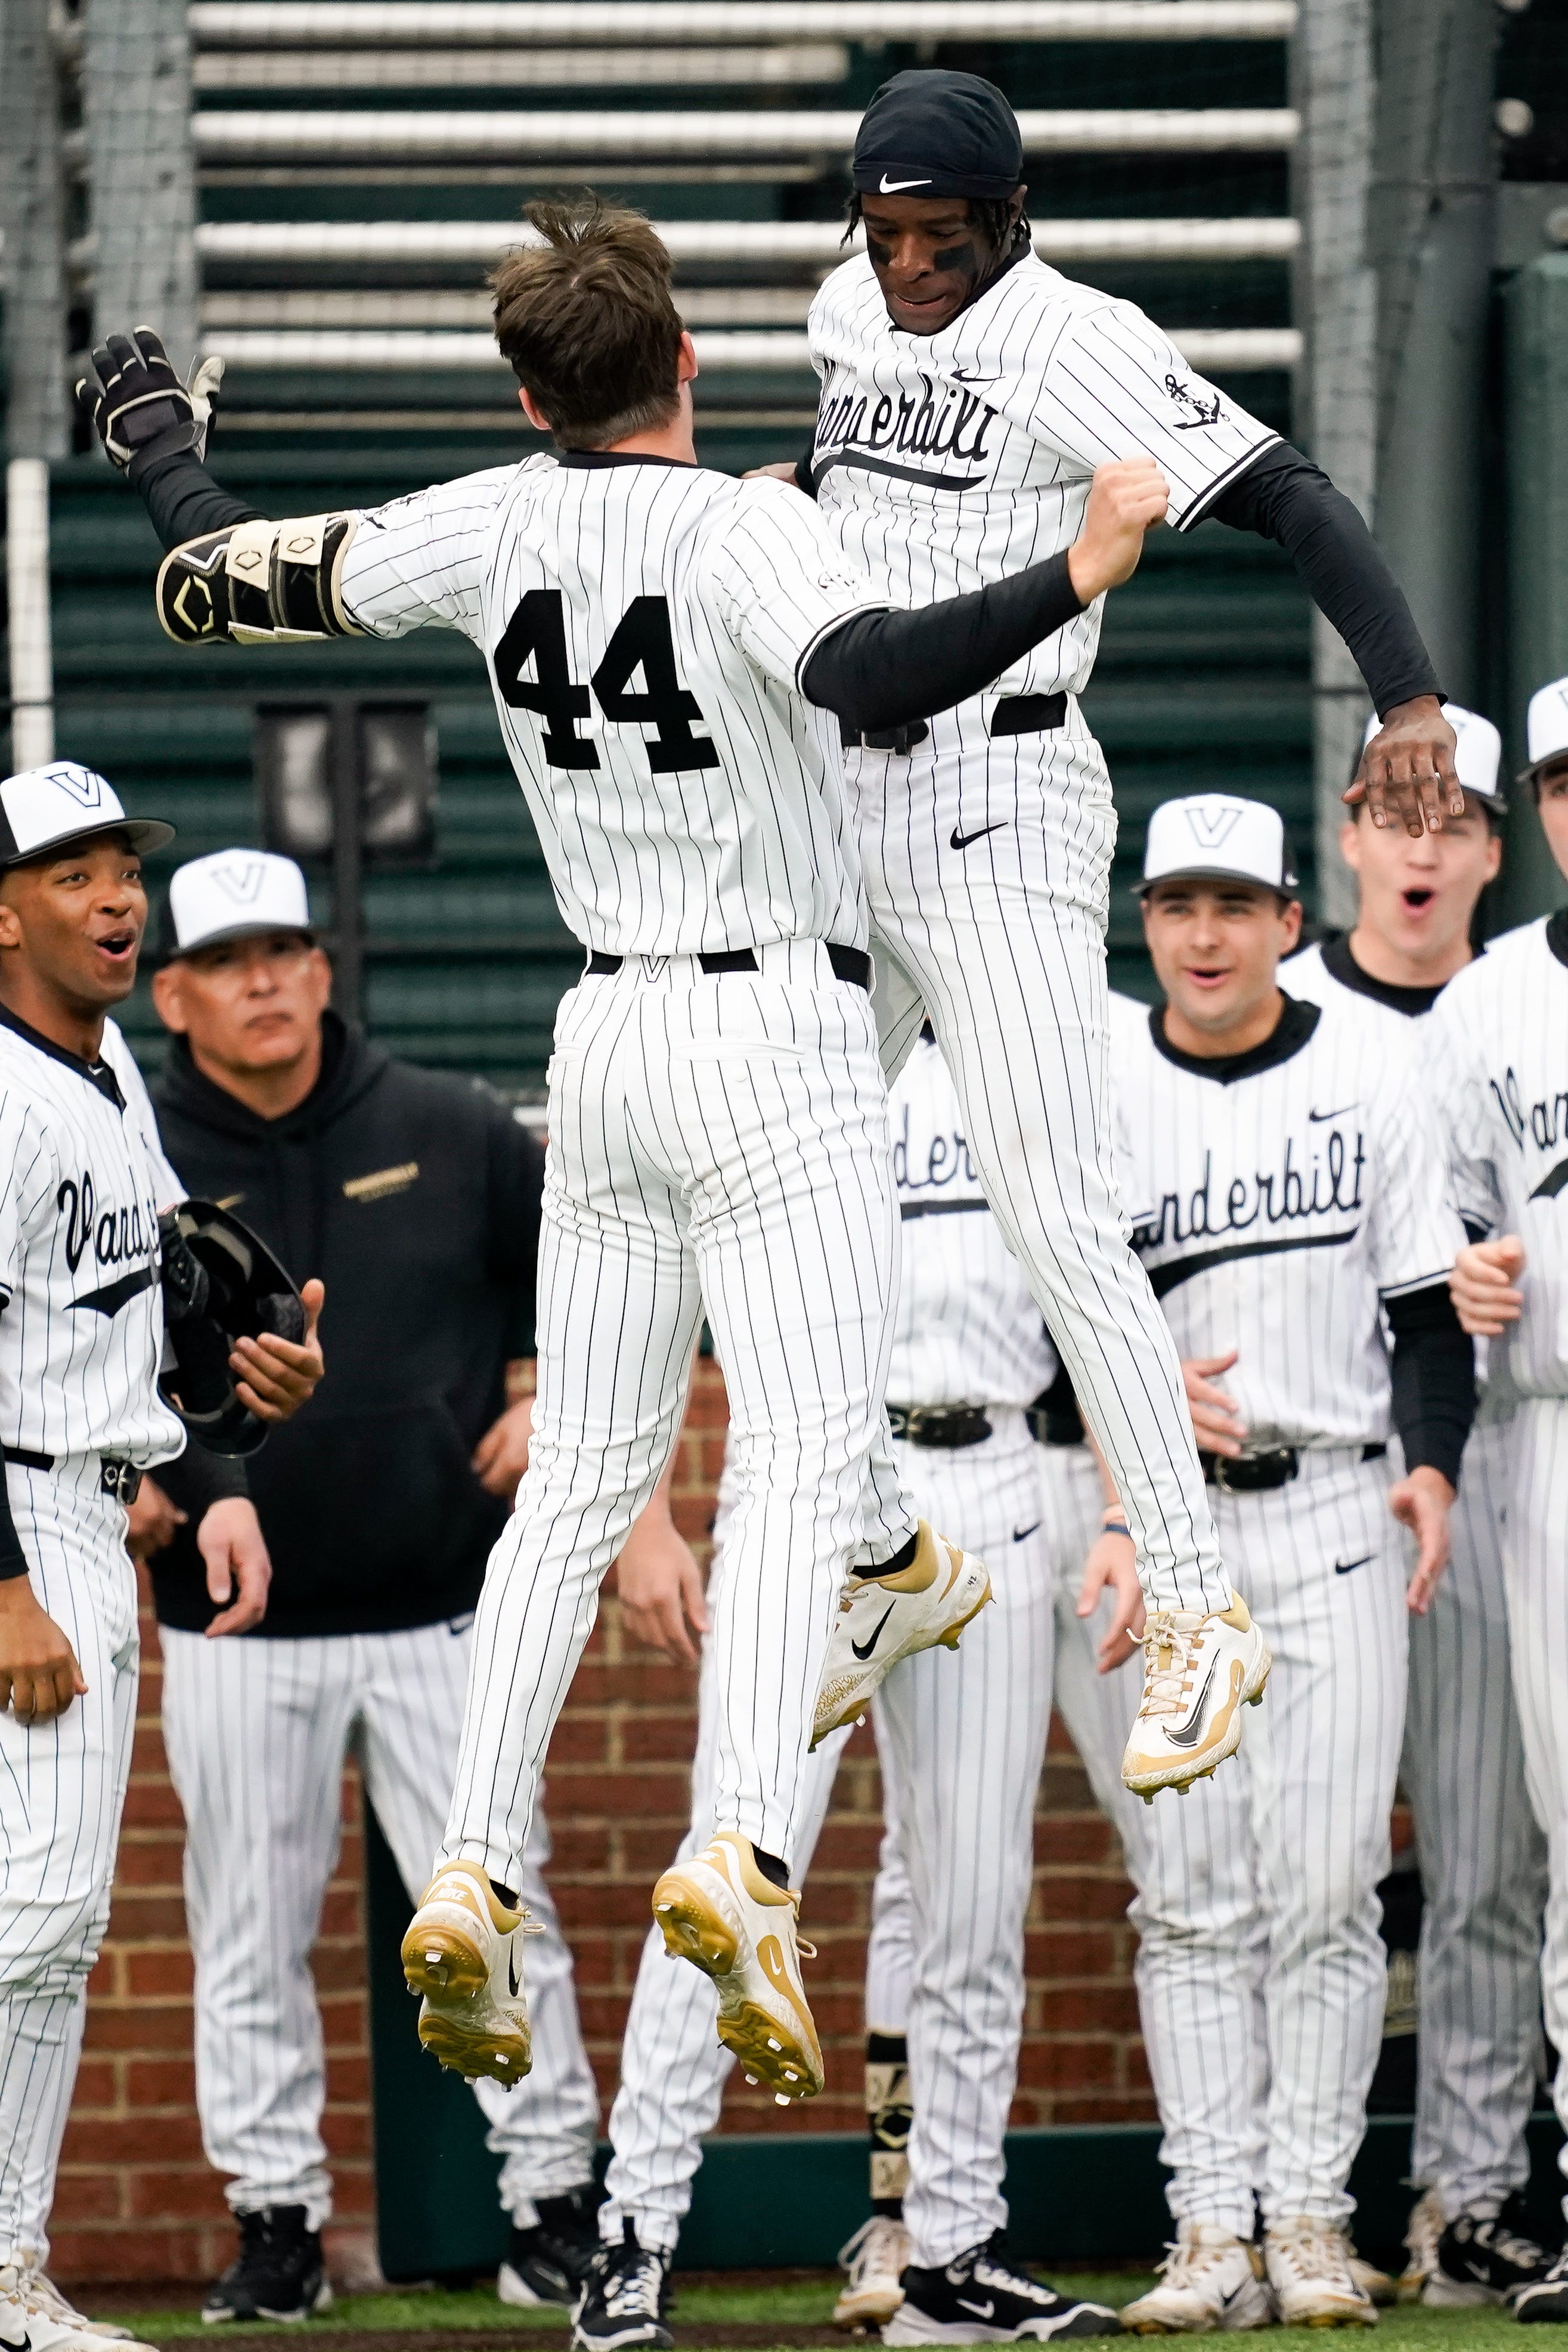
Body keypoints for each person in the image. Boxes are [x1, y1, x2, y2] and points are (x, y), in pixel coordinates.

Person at [80, 195, 1179, 2094]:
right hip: (773, 1024)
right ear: (683, 363)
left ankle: (481, 1864)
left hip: (591, 1033)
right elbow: (877, 675)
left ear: (527, 390)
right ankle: (743, 1845)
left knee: (581, 1477)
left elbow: (209, 580)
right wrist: (1073, 572)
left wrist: (157, 438)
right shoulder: (755, 523)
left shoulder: (491, 516)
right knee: (787, 1466)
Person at [751, 66, 1464, 1794]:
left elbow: (1289, 490)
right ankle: (874, 1555)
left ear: (1013, 220)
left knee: (1048, 1201)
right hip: (851, 789)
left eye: (947, 233)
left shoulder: (1076, 334)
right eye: (891, 228)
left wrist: (1408, 694)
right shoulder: (844, 304)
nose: (913, 261)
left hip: (1005, 796)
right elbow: (845, 491)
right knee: (784, 1175)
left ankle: (1203, 1602)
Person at [571, 1031, 1141, 2350]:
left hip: (994, 1483)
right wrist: (645, 1509)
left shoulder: (1040, 1054)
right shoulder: (771, 1036)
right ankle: (634, 2232)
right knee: (731, 1874)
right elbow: (650, 1282)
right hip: (808, 1488)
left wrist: (1122, 1504)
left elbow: (1098, 1290)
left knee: (973, 1896)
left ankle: (951, 2249)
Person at [128, 847, 602, 2323]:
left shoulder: (454, 1125)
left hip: (445, 1603)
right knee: (251, 1926)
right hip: (234, 1626)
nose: (266, 979)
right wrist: (144, 1474)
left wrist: (551, 1394)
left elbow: (590, 1282)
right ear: (176, 991)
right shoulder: (127, 1153)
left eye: (288, 951)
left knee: (498, 1909)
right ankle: (276, 2222)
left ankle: (553, 2200)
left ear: (326, 971)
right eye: (229, 959)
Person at [1107, 795, 1473, 2329]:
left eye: (1233, 905)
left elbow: (1430, 1311)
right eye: (1177, 905)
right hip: (1171, 1528)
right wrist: (1114, 1405)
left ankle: (1311, 2218)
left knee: (1325, 1891)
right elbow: (1053, 1328)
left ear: (1281, 918)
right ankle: (1209, 2228)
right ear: (1147, 924)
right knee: (1190, 1898)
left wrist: (1436, 1464)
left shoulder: (1371, 1067)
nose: (1203, 934)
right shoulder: (1095, 1083)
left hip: (1334, 1507)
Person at [0, 766, 322, 2352]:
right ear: (1, 913)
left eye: (123, 864)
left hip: (84, 1499)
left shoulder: (113, 1060)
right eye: (71, 872)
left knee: (49, 1921)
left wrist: (230, 1409)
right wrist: (4, 1586)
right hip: (17, 1523)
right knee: (40, 1912)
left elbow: (144, 1323)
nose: (117, 895)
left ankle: (8, 2275)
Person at [1285, 710, 1553, 2310]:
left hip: (1481, 1456)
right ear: (1347, 831)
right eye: (1398, 819)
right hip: (1308, 1475)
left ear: (1489, 844)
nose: (1423, 849)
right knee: (1283, 1872)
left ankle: (1464, 2188)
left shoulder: (1510, 1004)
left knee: (1484, 1856)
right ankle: (1259, 2196)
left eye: (1453, 822)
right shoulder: (1271, 998)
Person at [1439, 675, 1568, 2326]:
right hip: (1549, 1443)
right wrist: (1462, 1274)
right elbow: (1446, 1228)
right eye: (1560, 782)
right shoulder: (1489, 1002)